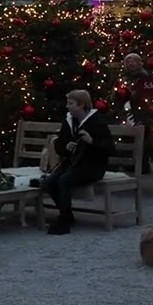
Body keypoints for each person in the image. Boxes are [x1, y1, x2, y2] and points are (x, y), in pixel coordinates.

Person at [38, 89, 113, 236]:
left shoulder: (97, 122)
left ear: (81, 105)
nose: (68, 106)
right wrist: (66, 147)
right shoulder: (68, 121)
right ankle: (67, 213)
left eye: (71, 103)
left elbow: (110, 148)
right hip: (71, 164)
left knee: (63, 181)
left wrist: (92, 142)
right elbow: (59, 145)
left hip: (93, 166)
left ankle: (64, 220)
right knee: (49, 182)